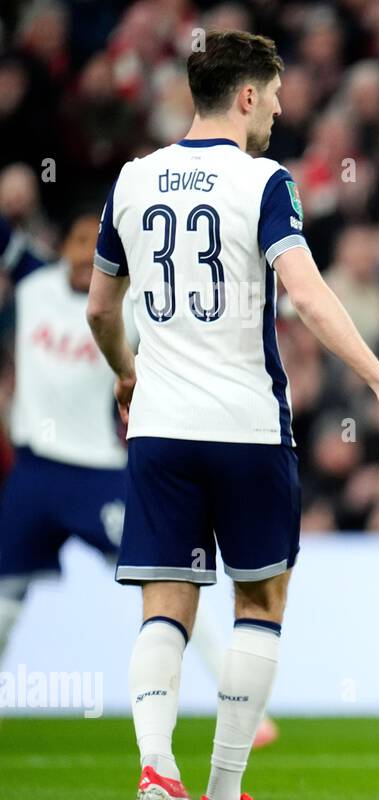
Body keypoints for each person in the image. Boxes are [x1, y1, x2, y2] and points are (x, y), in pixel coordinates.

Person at [87, 30, 379, 800]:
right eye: (274, 94)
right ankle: (224, 794)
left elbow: (102, 310)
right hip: (244, 425)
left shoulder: (133, 180)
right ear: (246, 95)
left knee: (164, 603)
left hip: (161, 429)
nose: (279, 108)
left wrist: (127, 372)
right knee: (262, 599)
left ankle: (155, 766)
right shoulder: (263, 181)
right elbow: (309, 296)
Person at [0, 208, 277, 749]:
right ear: (61, 246)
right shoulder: (32, 282)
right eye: (77, 241)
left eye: (93, 243)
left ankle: (240, 703)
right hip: (33, 472)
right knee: (6, 594)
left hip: (101, 475)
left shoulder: (131, 302)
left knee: (167, 582)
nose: (85, 254)